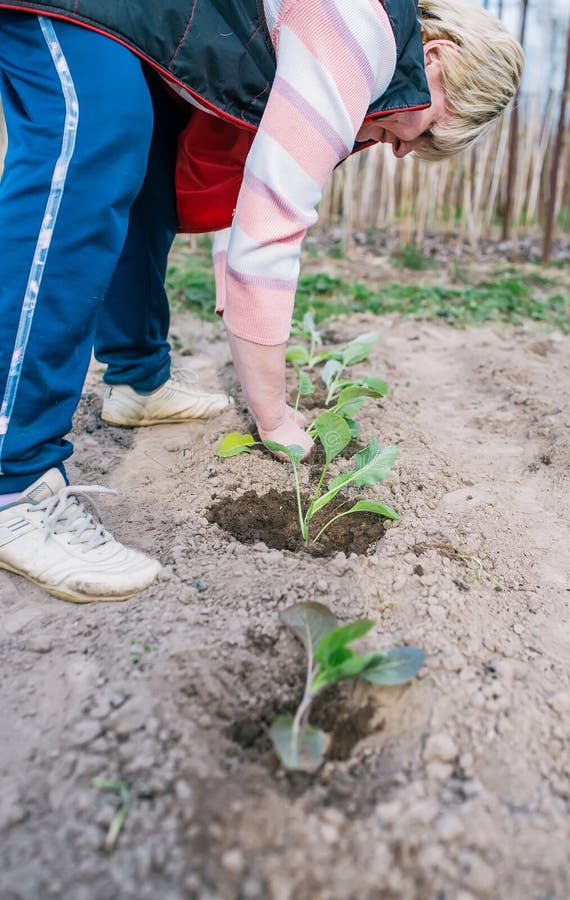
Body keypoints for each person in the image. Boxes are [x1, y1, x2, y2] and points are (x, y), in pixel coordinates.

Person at [0, 0, 524, 603]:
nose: (407, 150)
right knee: (95, 135)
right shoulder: (363, 37)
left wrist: (236, 293)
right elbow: (269, 228)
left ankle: (138, 383)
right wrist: (273, 416)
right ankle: (16, 487)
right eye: (430, 130)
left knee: (142, 167)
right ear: (437, 58)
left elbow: (247, 181)